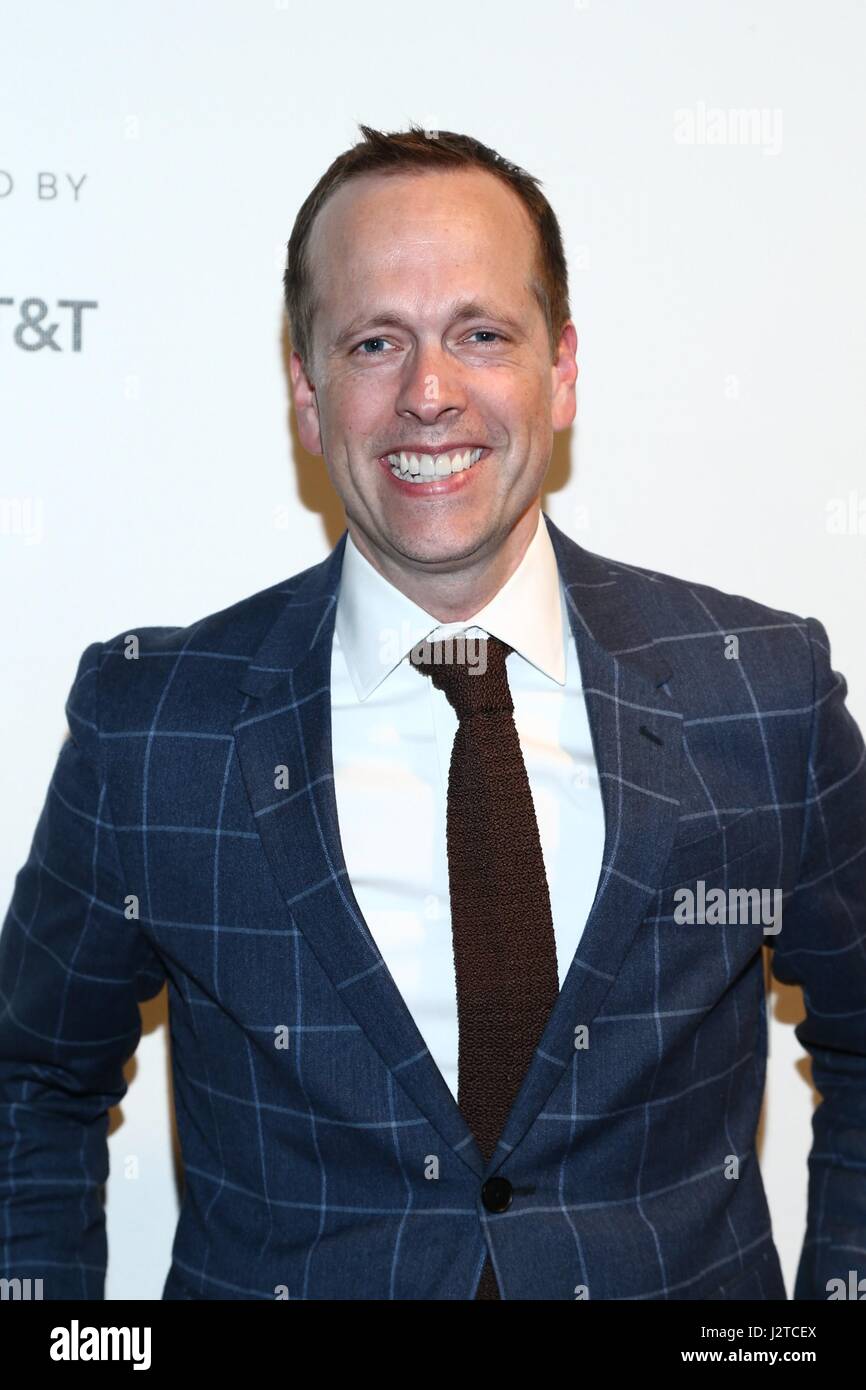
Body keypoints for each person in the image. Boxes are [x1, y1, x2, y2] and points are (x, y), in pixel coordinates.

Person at [1, 124, 864, 1302]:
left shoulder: (755, 691)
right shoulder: (154, 725)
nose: (427, 393)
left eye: (480, 334)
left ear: (559, 371)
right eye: (373, 342)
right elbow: (30, 1080)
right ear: (308, 392)